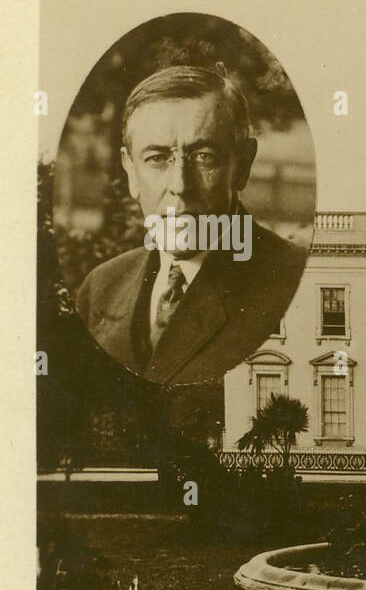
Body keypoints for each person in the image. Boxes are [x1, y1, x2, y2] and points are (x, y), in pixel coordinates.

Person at [75, 66, 306, 385]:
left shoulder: (295, 280)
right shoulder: (100, 289)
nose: (180, 185)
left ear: (243, 165)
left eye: (204, 157)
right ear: (131, 171)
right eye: (157, 158)